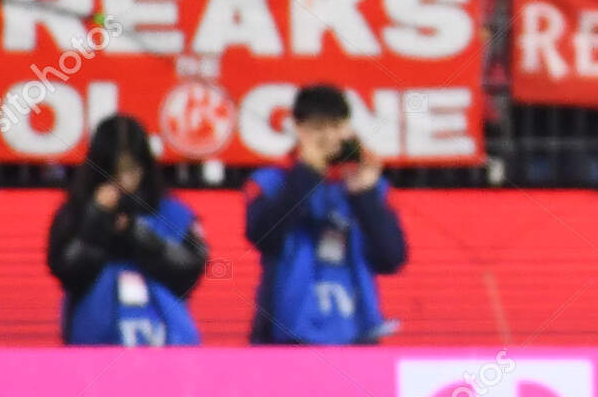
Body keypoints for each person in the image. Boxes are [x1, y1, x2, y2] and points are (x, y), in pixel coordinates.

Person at [245, 85, 408, 345]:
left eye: (335, 126)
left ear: (347, 128)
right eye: (318, 128)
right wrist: (307, 172)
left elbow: (392, 258)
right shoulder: (270, 181)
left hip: (356, 335)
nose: (328, 137)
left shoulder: (369, 184)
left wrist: (363, 196)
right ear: (298, 128)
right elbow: (265, 238)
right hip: (285, 339)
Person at [46, 115, 207, 346]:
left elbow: (190, 269)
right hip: (93, 344)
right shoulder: (76, 213)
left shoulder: (173, 213)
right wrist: (96, 219)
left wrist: (136, 233)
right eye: (114, 172)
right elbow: (66, 270)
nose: (122, 181)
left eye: (131, 170)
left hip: (167, 343)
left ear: (144, 167)